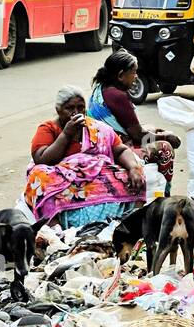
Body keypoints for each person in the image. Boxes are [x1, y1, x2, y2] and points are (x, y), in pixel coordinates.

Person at [25, 85, 146, 229]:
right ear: (58, 110)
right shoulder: (49, 128)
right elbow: (41, 158)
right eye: (69, 108)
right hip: (63, 178)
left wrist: (133, 167)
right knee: (39, 179)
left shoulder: (96, 127)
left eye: (81, 107)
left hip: (95, 174)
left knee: (135, 174)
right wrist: (66, 135)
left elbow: (119, 150)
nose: (76, 112)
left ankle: (130, 221)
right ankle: (56, 229)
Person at [87, 51, 179, 187]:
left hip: (100, 142)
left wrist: (157, 133)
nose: (136, 77)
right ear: (120, 75)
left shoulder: (101, 88)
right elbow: (138, 136)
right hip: (114, 149)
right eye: (134, 72)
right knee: (165, 148)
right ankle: (163, 193)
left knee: (152, 128)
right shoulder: (117, 96)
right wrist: (165, 137)